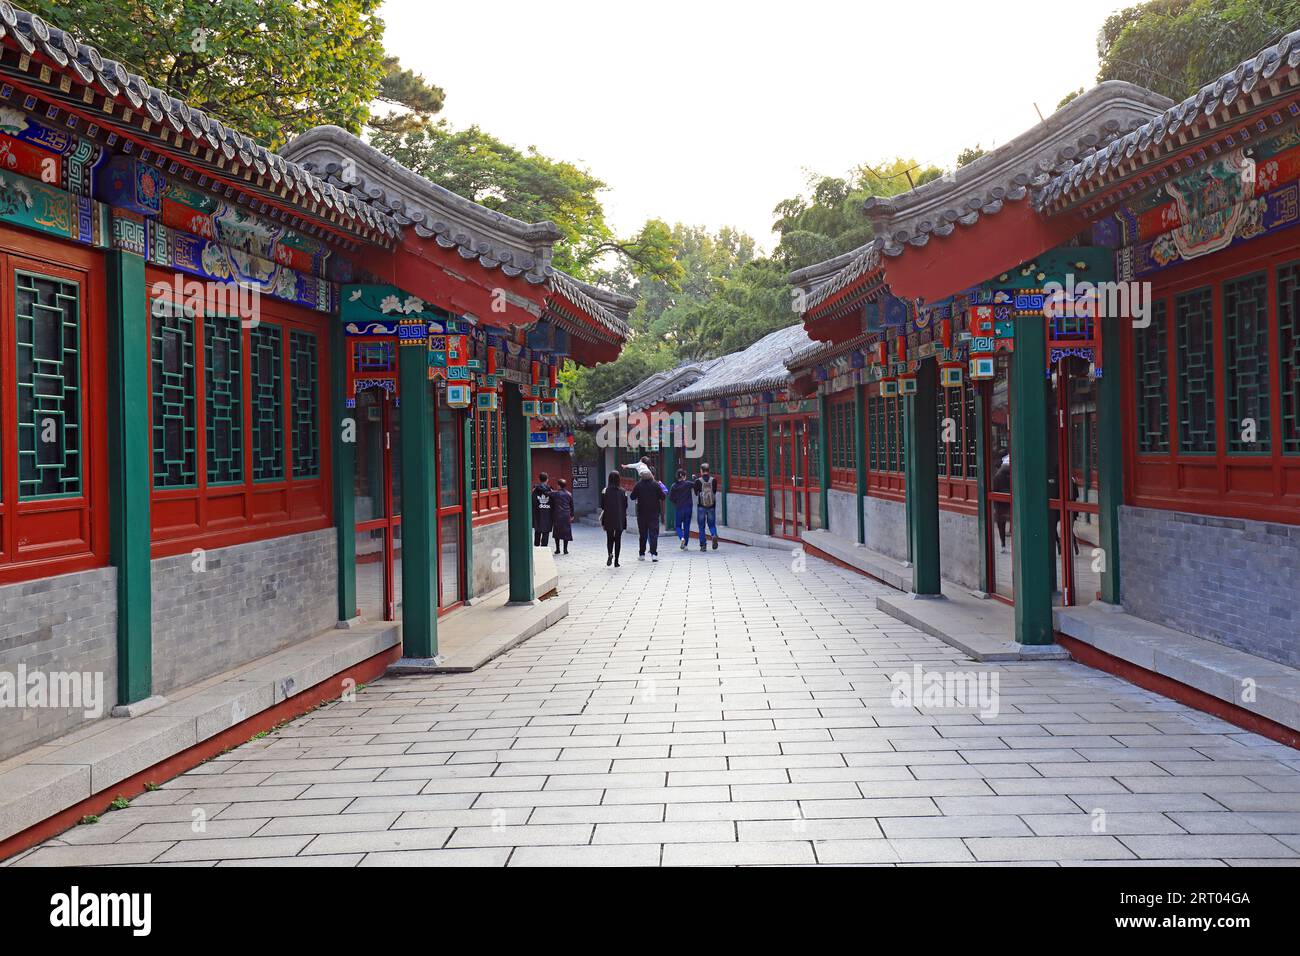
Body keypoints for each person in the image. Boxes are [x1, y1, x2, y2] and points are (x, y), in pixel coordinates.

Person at [629, 468, 665, 562]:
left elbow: (632, 497)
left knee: (643, 535)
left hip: (641, 514)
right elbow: (663, 496)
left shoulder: (638, 485)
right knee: (653, 534)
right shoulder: (655, 485)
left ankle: (642, 554)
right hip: (654, 513)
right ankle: (654, 554)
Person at [600, 471, 628, 567]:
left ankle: (610, 554)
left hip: (608, 517)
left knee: (609, 537)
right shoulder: (623, 491)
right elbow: (626, 505)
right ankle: (616, 561)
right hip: (620, 517)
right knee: (618, 539)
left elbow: (602, 505)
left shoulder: (605, 490)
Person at [694, 462, 720, 551]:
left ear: (701, 470)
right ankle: (713, 535)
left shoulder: (698, 481)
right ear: (708, 471)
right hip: (712, 505)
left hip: (701, 505)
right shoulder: (714, 480)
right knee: (712, 524)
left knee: (701, 526)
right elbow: (714, 492)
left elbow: (695, 493)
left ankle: (703, 545)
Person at [668, 469, 695, 550]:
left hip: (679, 508)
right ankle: (686, 545)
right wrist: (694, 478)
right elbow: (697, 484)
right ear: (683, 476)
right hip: (688, 508)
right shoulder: (688, 484)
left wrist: (676, 502)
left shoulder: (674, 486)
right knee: (687, 527)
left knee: (678, 526)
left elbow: (671, 498)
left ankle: (681, 538)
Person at [549, 478, 574, 555]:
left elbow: (547, 493)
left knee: (557, 532)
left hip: (557, 515)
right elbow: (571, 506)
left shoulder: (555, 494)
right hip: (566, 515)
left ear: (559, 485)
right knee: (566, 532)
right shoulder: (569, 494)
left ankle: (557, 549)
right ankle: (565, 550)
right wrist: (572, 515)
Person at [992, 453, 1011, 553]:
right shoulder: (1011, 475)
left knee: (1001, 525)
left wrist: (995, 506)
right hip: (1010, 505)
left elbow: (994, 492)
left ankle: (1003, 544)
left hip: (1000, 506)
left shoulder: (997, 477)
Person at [531, 473, 553, 548]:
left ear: (539, 479)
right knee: (546, 531)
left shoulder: (535, 490)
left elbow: (532, 502)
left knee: (537, 530)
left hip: (537, 513)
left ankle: (537, 547)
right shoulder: (550, 490)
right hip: (548, 513)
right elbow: (553, 502)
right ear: (547, 479)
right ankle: (544, 548)